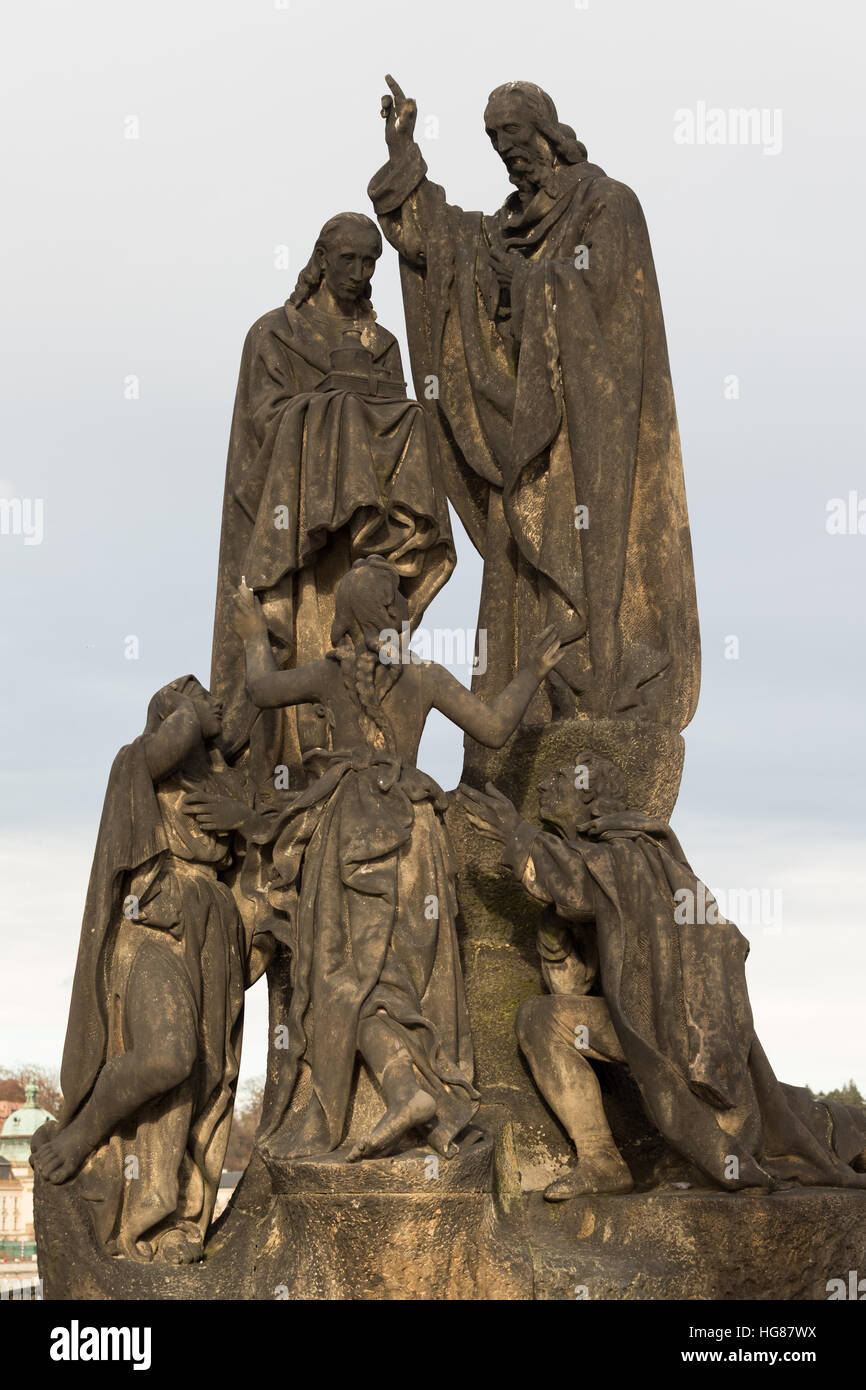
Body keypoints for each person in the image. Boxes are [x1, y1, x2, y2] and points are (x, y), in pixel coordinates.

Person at [369, 77, 700, 760]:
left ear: (546, 129)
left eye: (513, 132)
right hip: (520, 440)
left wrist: (527, 286)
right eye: (493, 138)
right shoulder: (505, 226)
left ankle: (590, 705)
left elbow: (607, 304)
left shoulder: (607, 205)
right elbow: (441, 244)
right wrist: (405, 156)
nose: (505, 148)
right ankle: (513, 739)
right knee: (515, 580)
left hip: (582, 440)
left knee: (579, 571)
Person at [203, 558, 563, 1161]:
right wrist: (530, 671)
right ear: (392, 613)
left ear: (349, 615)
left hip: (352, 828)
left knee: (344, 977)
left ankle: (407, 1095)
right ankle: (421, 1104)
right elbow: (496, 726)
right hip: (416, 831)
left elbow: (263, 690)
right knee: (398, 977)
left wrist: (252, 635)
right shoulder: (425, 676)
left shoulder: (331, 674)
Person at [458, 754, 866, 1199]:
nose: (543, 786)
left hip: (676, 1029)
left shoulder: (633, 853)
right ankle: (601, 1161)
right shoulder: (604, 861)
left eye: (558, 777)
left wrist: (516, 834)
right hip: (643, 1023)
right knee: (542, 1019)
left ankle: (843, 1129)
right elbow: (572, 983)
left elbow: (578, 884)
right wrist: (557, 945)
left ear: (588, 793)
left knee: (791, 1125)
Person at [211, 210, 454, 774]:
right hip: (295, 524)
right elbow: (262, 425)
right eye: (349, 259)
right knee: (297, 638)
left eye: (371, 261)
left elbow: (392, 419)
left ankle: (362, 757)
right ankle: (286, 769)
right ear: (321, 260)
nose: (360, 271)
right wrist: (336, 411)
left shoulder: (381, 344)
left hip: (360, 537)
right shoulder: (274, 334)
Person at [32, 677, 265, 1262]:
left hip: (213, 933)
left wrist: (243, 819)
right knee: (168, 1056)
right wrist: (184, 708)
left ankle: (171, 1217)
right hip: (152, 924)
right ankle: (81, 1136)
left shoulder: (227, 786)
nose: (214, 702)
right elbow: (172, 739)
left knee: (203, 1082)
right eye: (199, 693)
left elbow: (272, 852)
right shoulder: (139, 765)